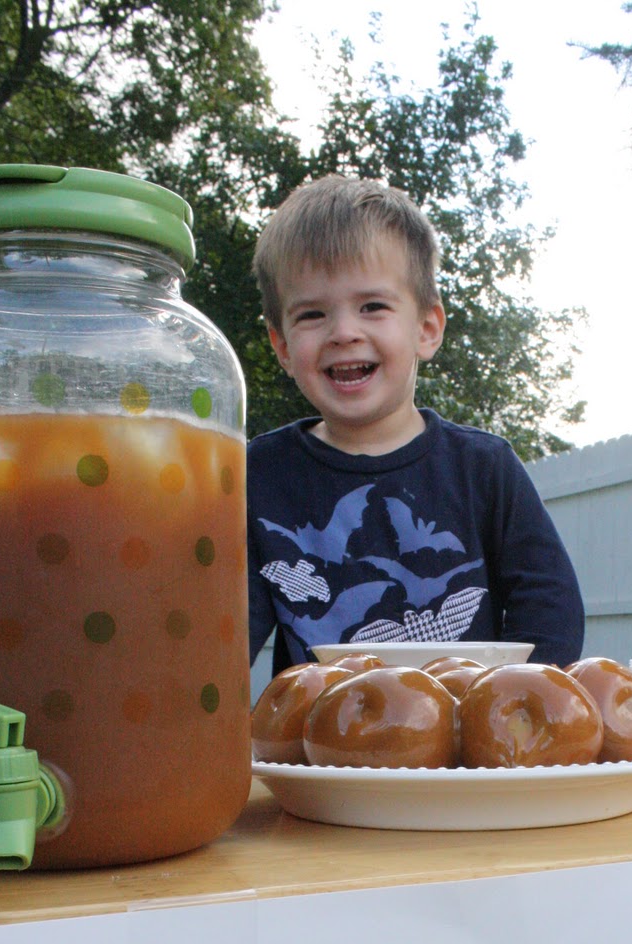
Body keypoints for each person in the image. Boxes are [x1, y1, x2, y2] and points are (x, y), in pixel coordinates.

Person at [246, 174, 585, 676]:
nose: (344, 332)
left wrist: (518, 716)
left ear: (427, 329)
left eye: (373, 307)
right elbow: (219, 635)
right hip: (320, 749)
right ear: (282, 347)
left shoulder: (483, 467)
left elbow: (550, 609)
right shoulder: (257, 475)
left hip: (464, 746)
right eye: (313, 314)